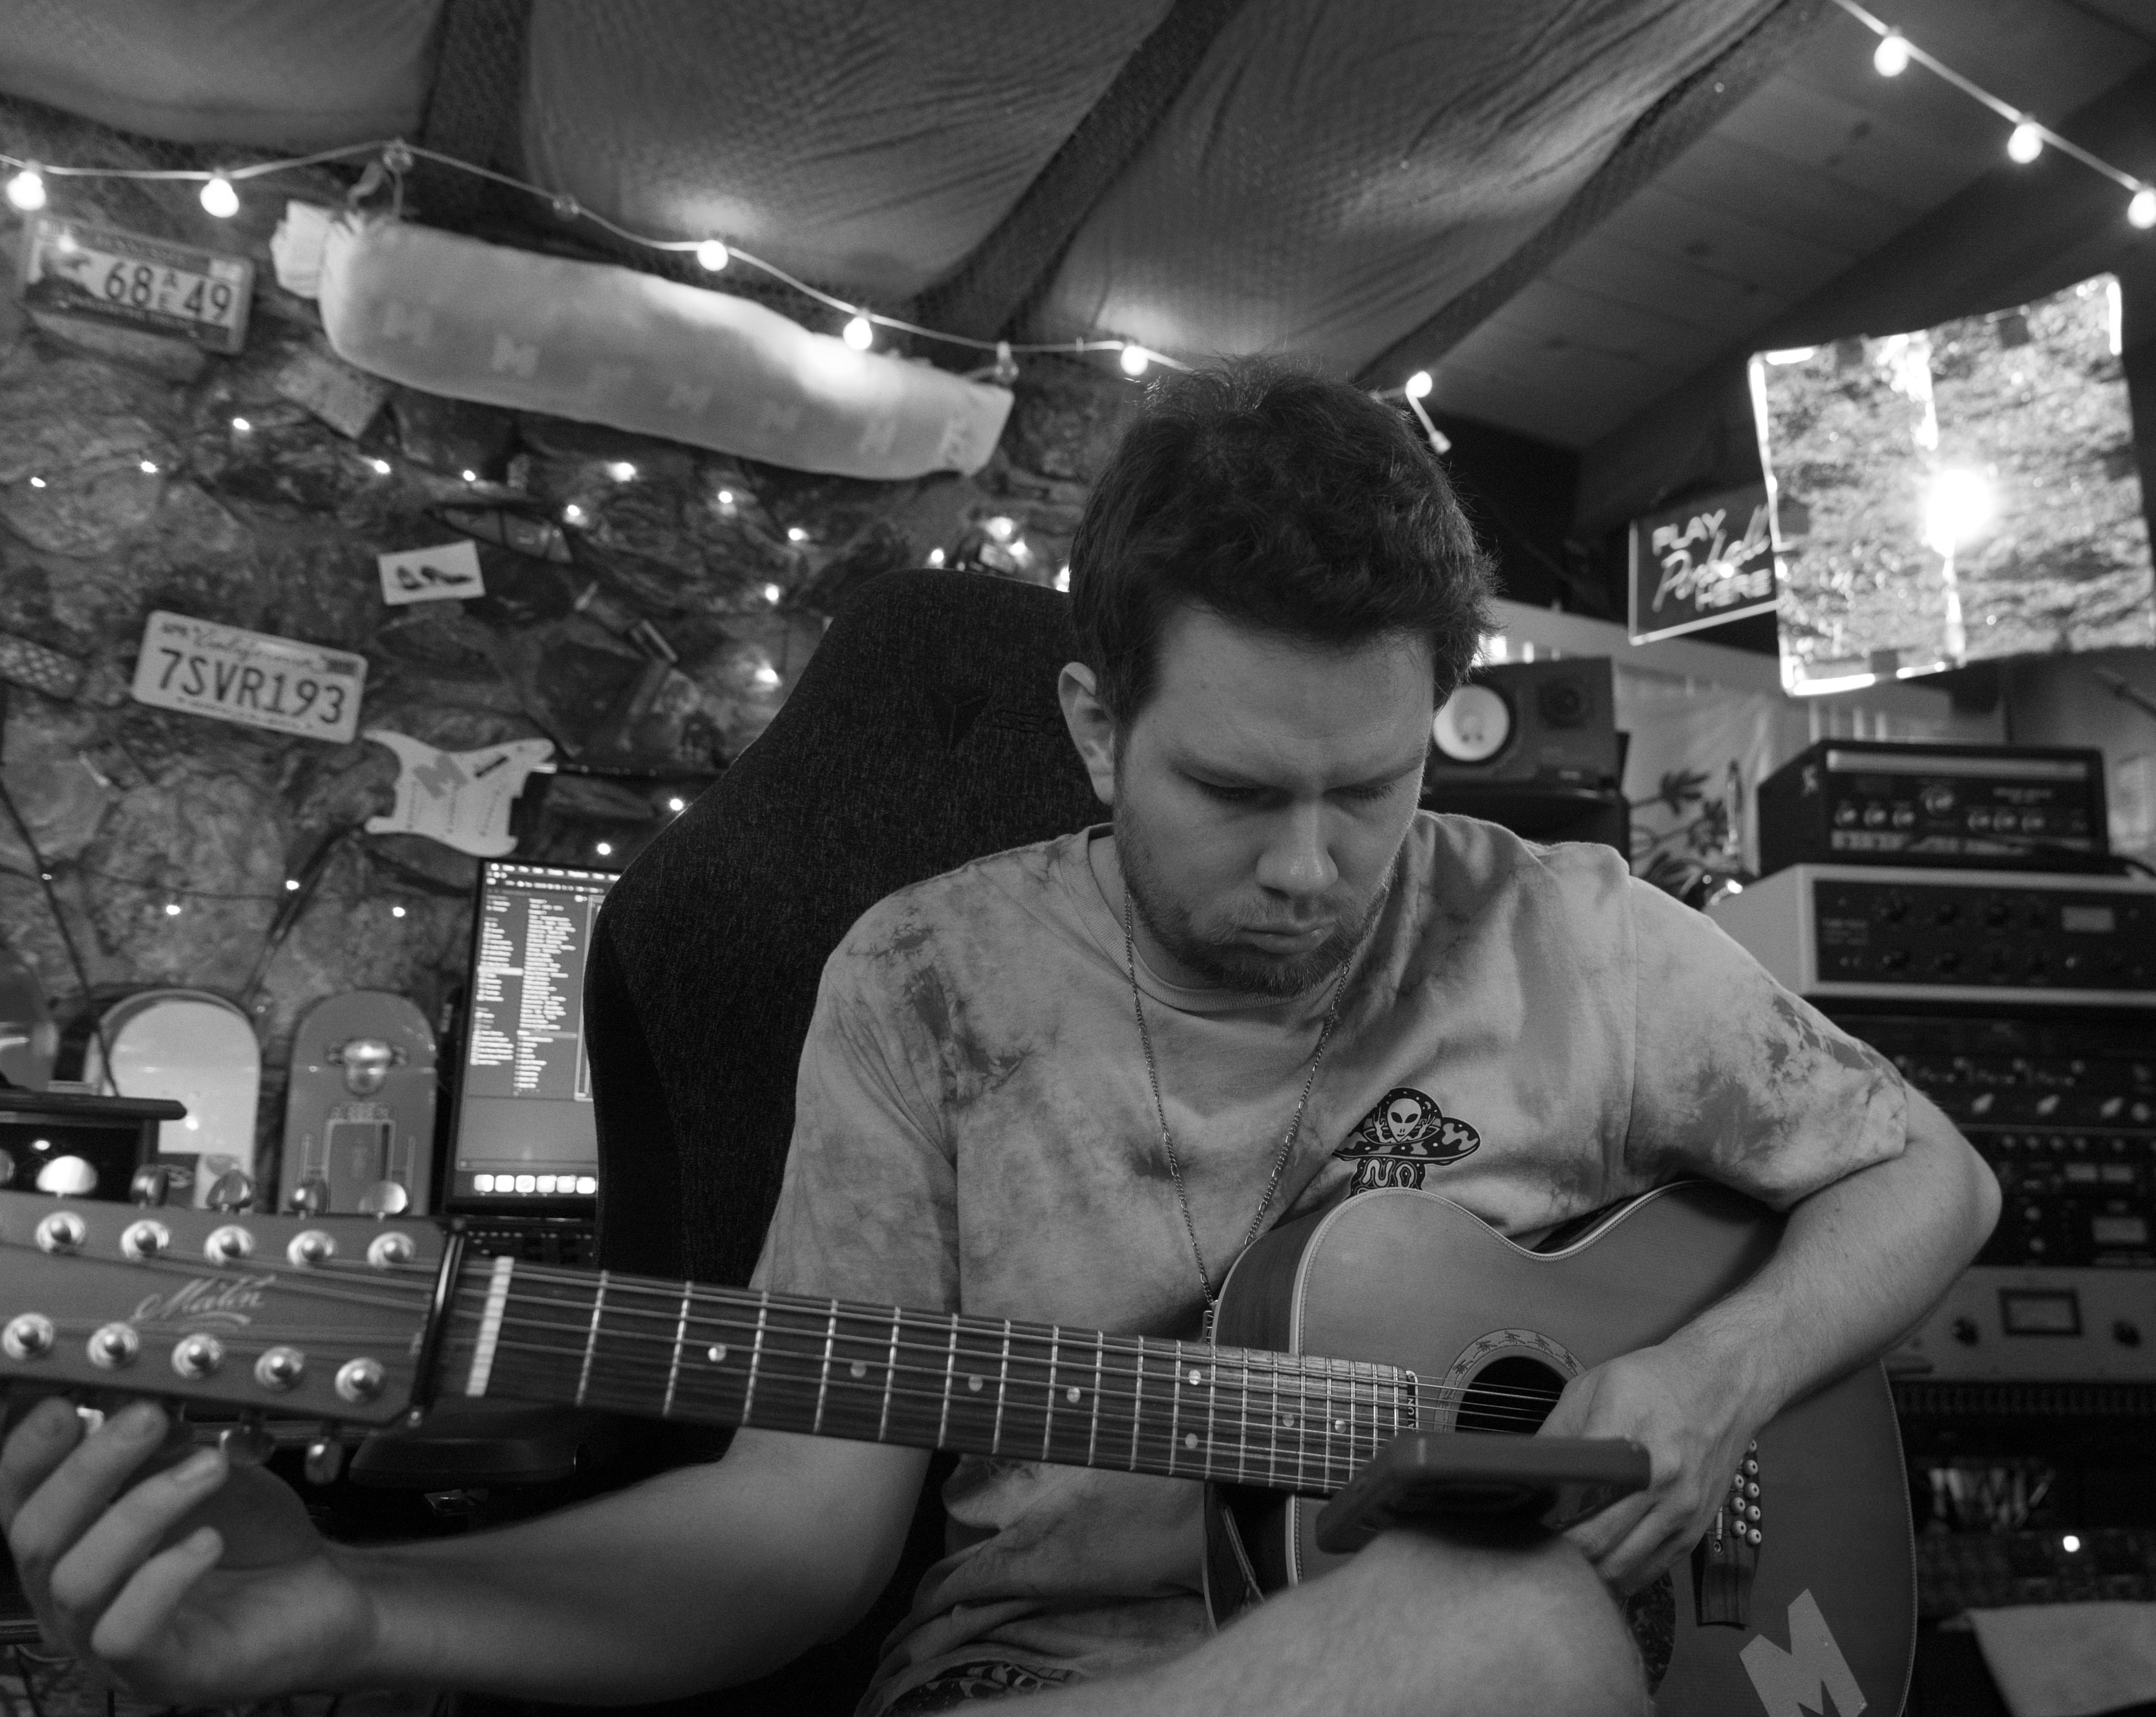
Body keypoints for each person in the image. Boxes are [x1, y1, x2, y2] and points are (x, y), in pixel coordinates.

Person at [0, 362, 1998, 1714]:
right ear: (1091, 729)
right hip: (1050, 1681)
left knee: (1517, 1627)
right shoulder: (927, 986)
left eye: (1368, 789)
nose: (1317, 866)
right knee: (1508, 1631)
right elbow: (794, 1535)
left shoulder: (1563, 925)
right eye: (1233, 790)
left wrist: (1710, 1374)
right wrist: (363, 1602)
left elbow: (1935, 1174)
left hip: (1593, 1656)